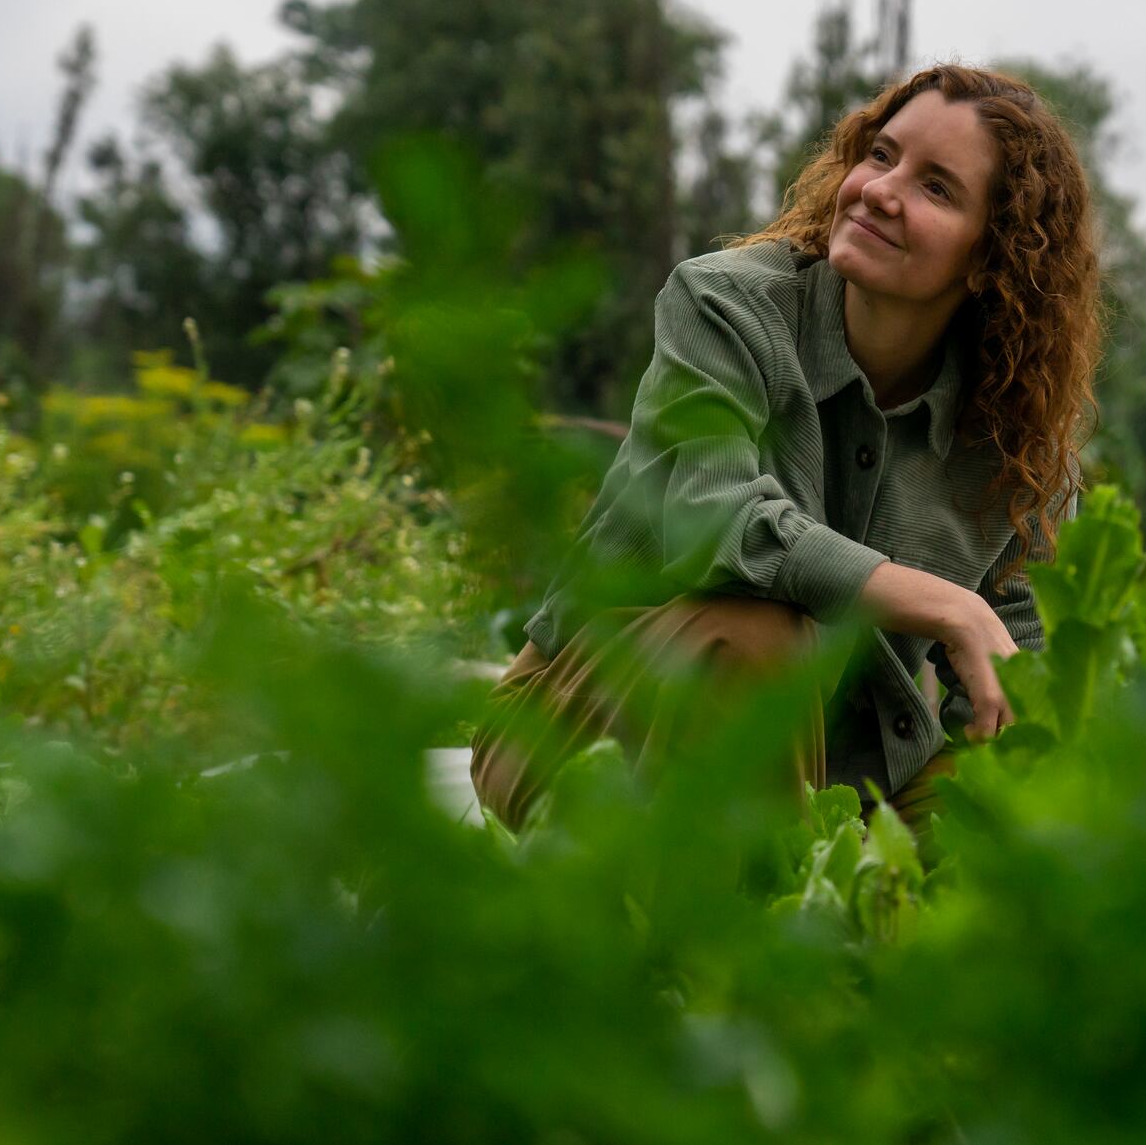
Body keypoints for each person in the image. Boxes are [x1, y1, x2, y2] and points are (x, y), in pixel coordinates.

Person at [470, 63, 1101, 834]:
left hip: (850, 773)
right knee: (757, 636)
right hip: (594, 719)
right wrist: (947, 604)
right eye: (881, 155)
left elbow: (1013, 663)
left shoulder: (1010, 432)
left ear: (991, 259)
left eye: (936, 187)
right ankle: (715, 948)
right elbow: (716, 522)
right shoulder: (724, 307)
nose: (879, 189)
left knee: (1012, 844)